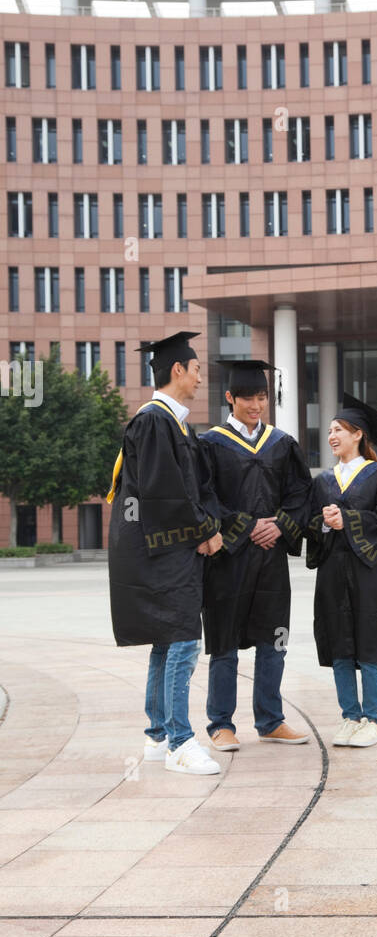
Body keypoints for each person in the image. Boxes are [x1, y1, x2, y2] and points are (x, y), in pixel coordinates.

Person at [107, 330, 223, 776]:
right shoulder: (155, 420)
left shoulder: (172, 422)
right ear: (177, 370)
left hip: (163, 548)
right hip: (164, 549)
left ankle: (156, 735)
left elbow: (193, 486)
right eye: (196, 370)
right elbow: (163, 492)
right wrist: (203, 532)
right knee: (183, 639)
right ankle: (179, 739)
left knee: (165, 638)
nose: (199, 378)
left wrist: (208, 525)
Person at [198, 358, 313, 750]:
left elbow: (301, 493)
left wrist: (279, 524)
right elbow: (205, 496)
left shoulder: (282, 444)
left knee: (274, 638)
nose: (255, 405)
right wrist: (247, 527)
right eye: (247, 397)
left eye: (261, 397)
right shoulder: (211, 444)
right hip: (229, 559)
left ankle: (270, 719)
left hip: (271, 557)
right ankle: (220, 723)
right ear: (230, 397)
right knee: (224, 640)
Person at [305, 393, 377, 747]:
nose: (332, 436)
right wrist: (325, 525)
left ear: (358, 434)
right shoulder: (323, 482)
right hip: (331, 571)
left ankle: (372, 719)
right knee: (340, 642)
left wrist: (350, 520)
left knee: (369, 641)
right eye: (329, 430)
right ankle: (349, 716)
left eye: (339, 430)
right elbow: (310, 524)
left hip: (368, 571)